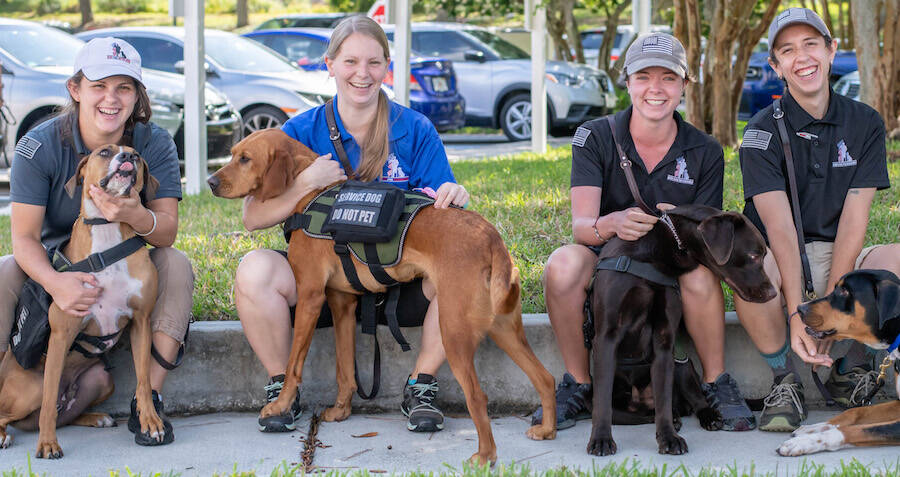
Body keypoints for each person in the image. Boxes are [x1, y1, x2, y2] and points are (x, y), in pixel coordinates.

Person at [233, 15, 469, 434]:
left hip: (397, 283)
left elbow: (440, 204)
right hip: (322, 287)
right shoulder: (300, 130)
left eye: (374, 63)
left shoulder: (414, 129)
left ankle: (423, 383)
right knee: (254, 271)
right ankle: (282, 387)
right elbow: (253, 218)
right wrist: (305, 181)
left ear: (387, 66)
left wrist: (453, 192)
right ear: (330, 64)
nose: (363, 74)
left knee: (458, 270)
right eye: (351, 62)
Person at [539, 32, 770, 432]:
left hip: (671, 264)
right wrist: (610, 224)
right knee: (562, 264)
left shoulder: (705, 150)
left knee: (701, 276)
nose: (655, 89)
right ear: (626, 82)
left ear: (684, 84)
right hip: (611, 258)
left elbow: (707, 241)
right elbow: (581, 227)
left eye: (668, 77)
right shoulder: (595, 137)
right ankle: (578, 383)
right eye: (644, 76)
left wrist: (677, 223)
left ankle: (716, 382)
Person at [0, 37, 194, 444]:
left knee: (175, 263)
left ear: (137, 95)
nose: (112, 98)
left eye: (124, 87)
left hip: (128, 250)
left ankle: (149, 401)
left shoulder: (153, 143)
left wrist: (135, 213)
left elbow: (167, 230)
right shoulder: (40, 145)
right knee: (3, 269)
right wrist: (56, 283)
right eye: (99, 86)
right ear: (76, 89)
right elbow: (24, 238)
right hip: (56, 260)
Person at [737, 7, 899, 432]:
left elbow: (854, 218)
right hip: (782, 256)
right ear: (775, 66)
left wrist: (832, 301)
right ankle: (784, 378)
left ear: (832, 51)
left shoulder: (864, 122)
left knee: (897, 261)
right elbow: (781, 231)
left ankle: (848, 370)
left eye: (811, 44)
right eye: (787, 50)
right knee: (748, 270)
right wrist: (798, 315)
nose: (802, 57)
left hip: (838, 252)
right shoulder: (759, 132)